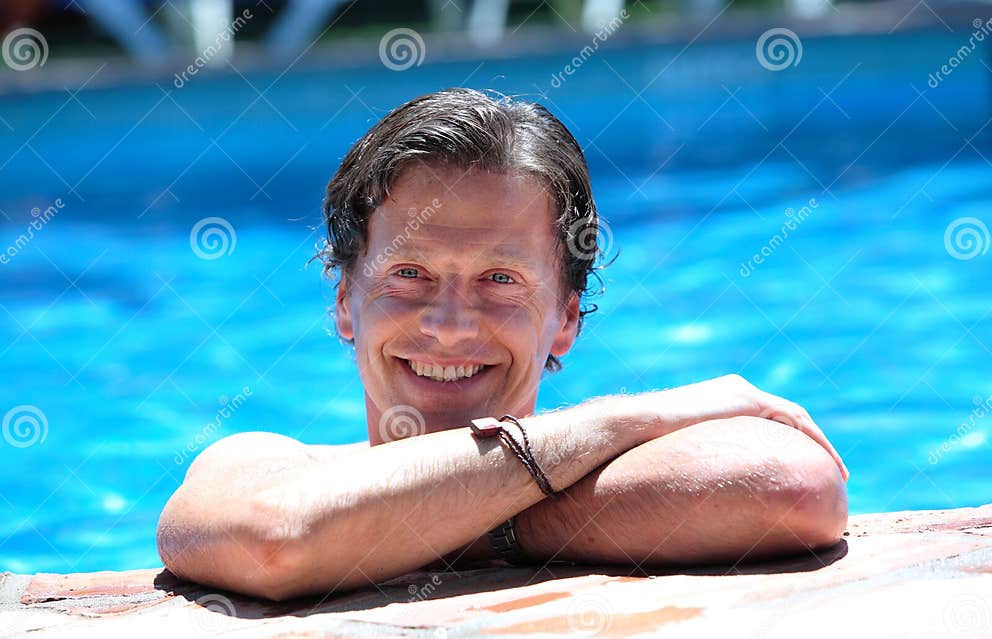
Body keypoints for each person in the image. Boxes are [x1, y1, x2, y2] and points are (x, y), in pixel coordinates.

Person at [157, 88, 849, 602]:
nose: (451, 324)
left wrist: (404, 524)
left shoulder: (626, 468)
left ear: (567, 320)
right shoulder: (267, 460)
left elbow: (795, 487)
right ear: (344, 301)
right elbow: (275, 539)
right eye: (409, 273)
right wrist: (625, 420)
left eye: (499, 279)